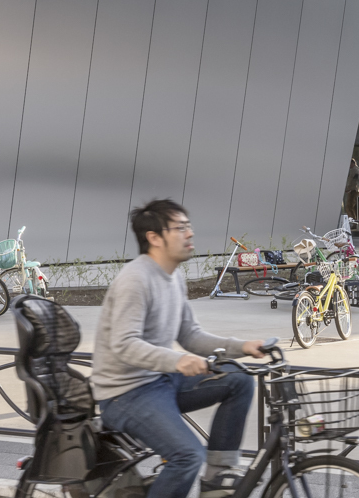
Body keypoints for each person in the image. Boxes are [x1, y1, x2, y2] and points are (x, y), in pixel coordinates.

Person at [91, 200, 267, 498]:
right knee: (187, 457)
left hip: (159, 381)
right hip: (125, 393)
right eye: (180, 228)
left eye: (189, 226)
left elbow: (190, 335)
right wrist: (178, 360)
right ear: (154, 237)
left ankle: (215, 480)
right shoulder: (135, 280)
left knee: (238, 379)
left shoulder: (173, 276)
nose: (190, 234)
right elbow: (124, 344)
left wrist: (242, 347)